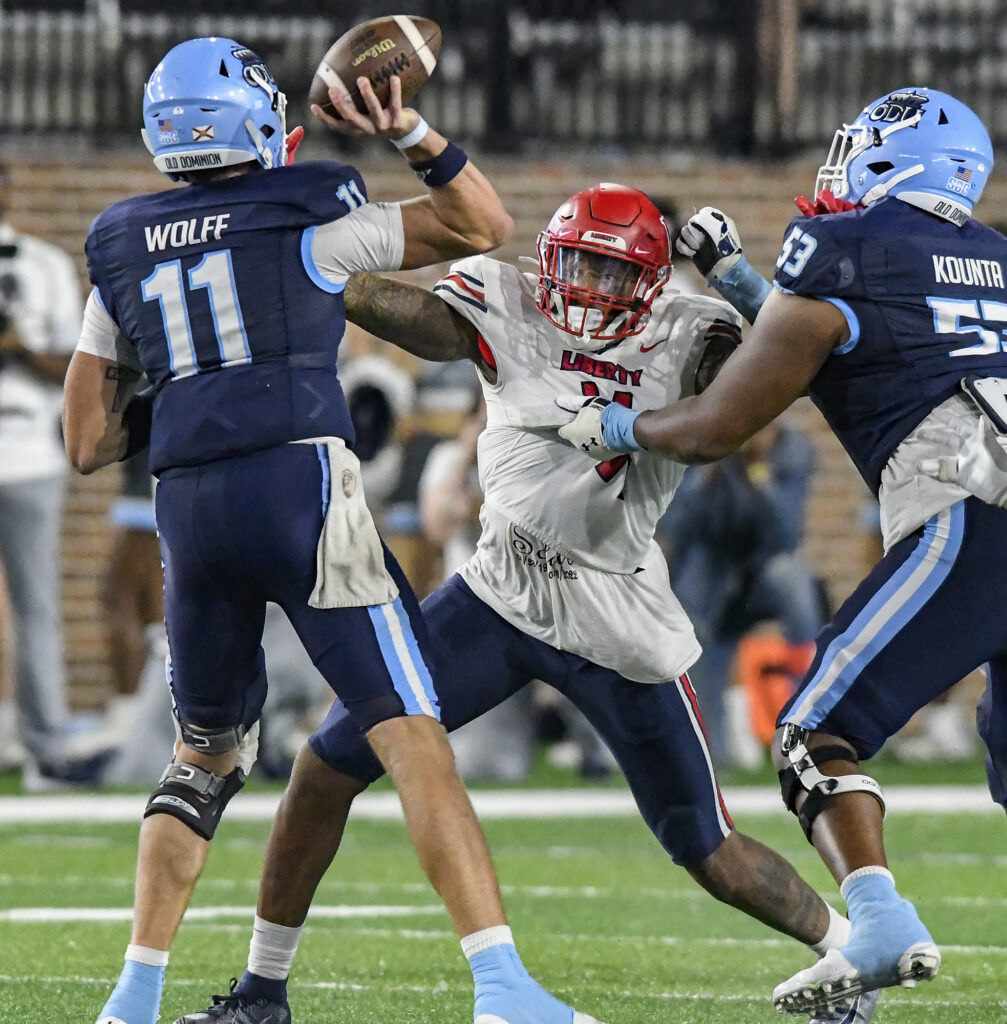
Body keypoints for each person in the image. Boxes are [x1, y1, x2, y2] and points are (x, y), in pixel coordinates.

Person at [175, 183, 877, 1024]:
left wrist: (738, 280)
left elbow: (791, 380)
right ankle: (261, 991)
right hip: (498, 589)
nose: (589, 288)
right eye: (577, 263)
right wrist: (303, 258)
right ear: (549, 257)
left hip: (614, 615)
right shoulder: (504, 301)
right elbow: (392, 307)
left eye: (614, 273)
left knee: (706, 845)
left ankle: (848, 953)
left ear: (655, 282)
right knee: (326, 768)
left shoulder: (690, 334)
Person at [62, 36, 602, 1024]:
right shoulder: (307, 205)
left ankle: (132, 997)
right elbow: (482, 222)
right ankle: (502, 988)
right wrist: (408, 129)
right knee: (411, 730)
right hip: (300, 486)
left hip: (190, 505)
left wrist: (192, 383)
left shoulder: (118, 237)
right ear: (258, 124)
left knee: (204, 755)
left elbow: (87, 440)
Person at [557, 86, 1007, 1014]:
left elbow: (713, 427)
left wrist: (611, 422)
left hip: (977, 517)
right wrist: (737, 279)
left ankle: (880, 921)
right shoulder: (996, 258)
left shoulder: (843, 251)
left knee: (818, 733)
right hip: (1005, 503)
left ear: (892, 161)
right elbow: (851, 350)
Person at [658, 419, 822, 765]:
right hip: (714, 554)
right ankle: (710, 745)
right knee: (696, 627)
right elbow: (680, 525)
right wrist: (711, 470)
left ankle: (810, 729)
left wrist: (758, 469)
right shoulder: (706, 440)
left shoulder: (794, 449)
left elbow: (785, 533)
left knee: (799, 595)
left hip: (768, 558)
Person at [0, 160, 88, 787]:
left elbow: (76, 368)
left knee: (37, 604)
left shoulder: (45, 267)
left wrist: (17, 348)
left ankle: (48, 743)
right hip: (28, 454)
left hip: (29, 450)